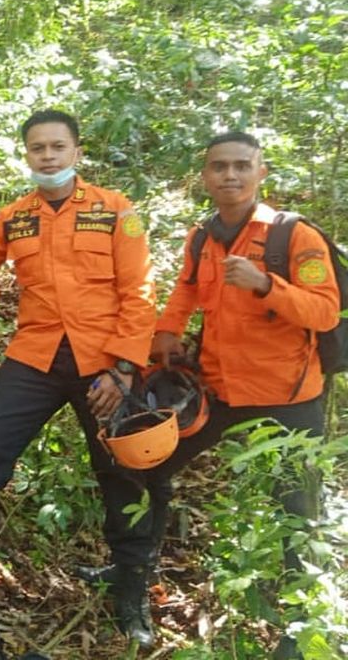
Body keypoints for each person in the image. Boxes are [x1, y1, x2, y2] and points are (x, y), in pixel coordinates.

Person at [0, 110, 158, 649]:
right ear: (28, 156)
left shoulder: (114, 211)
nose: (49, 157)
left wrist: (123, 368)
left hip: (103, 364)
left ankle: (131, 586)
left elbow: (139, 292)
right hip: (36, 358)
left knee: (125, 473)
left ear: (77, 152)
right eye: (38, 149)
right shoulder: (15, 217)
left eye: (58, 147)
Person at [111, 132, 337, 657]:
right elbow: (187, 287)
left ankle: (301, 628)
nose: (229, 175)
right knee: (144, 466)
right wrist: (167, 331)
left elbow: (325, 312)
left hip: (287, 396)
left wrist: (266, 285)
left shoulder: (293, 236)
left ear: (262, 173)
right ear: (205, 176)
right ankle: (131, 570)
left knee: (296, 508)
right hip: (218, 390)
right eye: (219, 167)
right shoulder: (203, 236)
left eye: (241, 166)